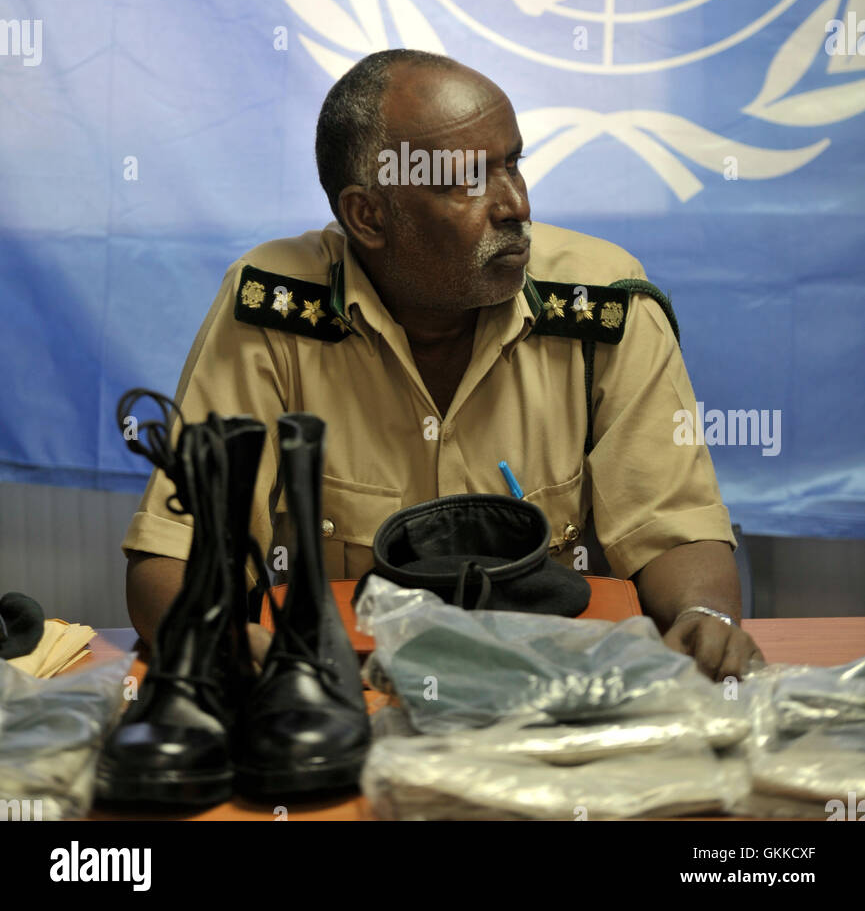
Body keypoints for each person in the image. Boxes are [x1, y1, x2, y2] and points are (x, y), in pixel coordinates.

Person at [122, 49, 764, 681]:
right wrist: (224, 642)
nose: (516, 205)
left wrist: (703, 614)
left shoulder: (602, 303)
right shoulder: (274, 310)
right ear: (367, 216)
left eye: (513, 164)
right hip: (345, 686)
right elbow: (180, 553)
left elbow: (673, 525)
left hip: (548, 688)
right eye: (469, 181)